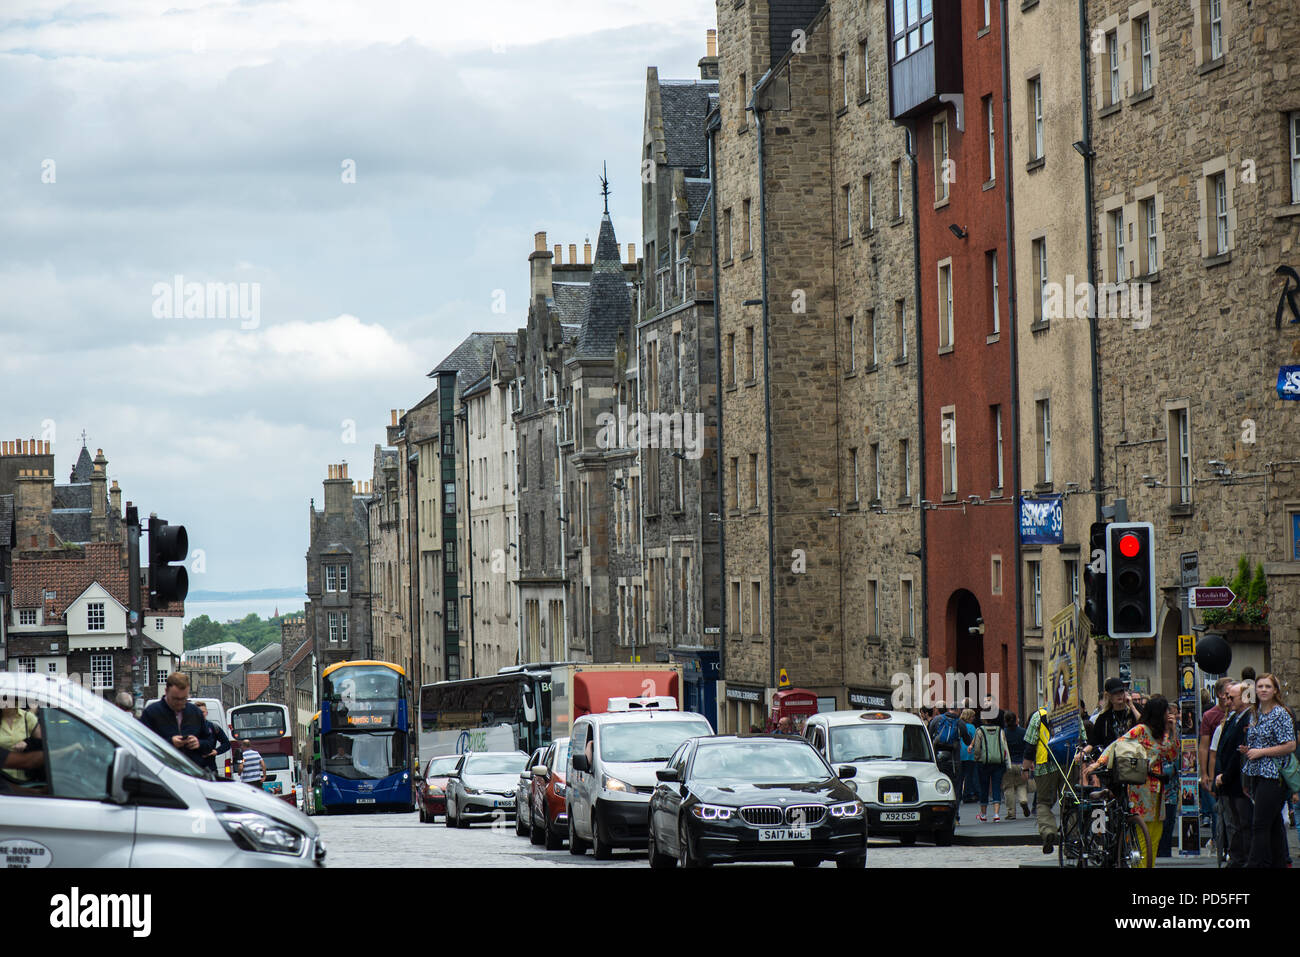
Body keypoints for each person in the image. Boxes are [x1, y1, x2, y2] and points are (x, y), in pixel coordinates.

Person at [1086, 695, 1179, 869]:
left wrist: (1172, 731)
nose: (1170, 714)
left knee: (1155, 835)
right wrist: (1099, 762)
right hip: (1142, 787)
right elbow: (1117, 744)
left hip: (1158, 790)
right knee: (1143, 838)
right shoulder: (1141, 730)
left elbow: (1172, 754)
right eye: (1166, 711)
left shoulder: (1163, 733)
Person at [1240, 673, 1296, 868]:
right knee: (1273, 826)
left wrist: (1261, 752)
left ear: (1275, 691)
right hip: (1256, 773)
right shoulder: (1254, 714)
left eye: (1268, 687)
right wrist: (1249, 751)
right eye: (1260, 686)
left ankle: (1255, 864)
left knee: (1260, 825)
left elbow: (1290, 745)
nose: (1263, 690)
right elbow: (1255, 744)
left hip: (1273, 776)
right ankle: (1279, 863)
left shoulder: (1280, 713)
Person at [1213, 682, 1253, 867]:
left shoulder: (1248, 719)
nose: (1227, 701)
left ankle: (1244, 859)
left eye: (1231, 697)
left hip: (1239, 782)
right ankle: (1237, 858)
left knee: (1243, 824)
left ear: (1245, 698)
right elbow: (1222, 748)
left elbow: (1238, 753)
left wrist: (1226, 776)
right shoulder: (1233, 718)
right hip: (1229, 782)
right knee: (1234, 824)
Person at [139, 673, 213, 766]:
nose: (180, 703)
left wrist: (199, 743)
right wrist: (170, 743)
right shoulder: (151, 713)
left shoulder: (195, 712)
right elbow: (142, 743)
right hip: (162, 771)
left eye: (184, 698)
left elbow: (209, 743)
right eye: (175, 699)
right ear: (166, 691)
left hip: (192, 773)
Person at [1021, 703, 1065, 853]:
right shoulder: (1072, 712)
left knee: (1043, 802)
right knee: (1071, 801)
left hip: (1045, 763)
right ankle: (1074, 837)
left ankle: (1048, 832)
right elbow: (1084, 739)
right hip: (1069, 763)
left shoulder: (1038, 716)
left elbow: (1030, 746)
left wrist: (1025, 768)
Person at [929, 702, 973, 822]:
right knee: (955, 788)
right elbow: (967, 740)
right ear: (958, 710)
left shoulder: (937, 720)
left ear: (949, 709)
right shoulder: (960, 723)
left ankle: (937, 815)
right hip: (954, 761)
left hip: (938, 761)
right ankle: (955, 816)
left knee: (938, 786)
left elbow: (929, 735)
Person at [971, 711, 1010, 821]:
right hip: (998, 762)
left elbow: (977, 748)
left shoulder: (979, 730)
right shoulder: (1000, 730)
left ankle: (983, 814)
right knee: (996, 787)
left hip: (984, 763)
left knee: (984, 787)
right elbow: (1004, 746)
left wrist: (977, 758)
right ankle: (996, 814)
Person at [1002, 712, 1031, 820]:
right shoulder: (1023, 732)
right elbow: (1028, 747)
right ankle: (1023, 800)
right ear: (1016, 720)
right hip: (1021, 763)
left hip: (1008, 764)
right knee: (1021, 785)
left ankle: (1011, 813)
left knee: (1008, 787)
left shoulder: (1003, 733)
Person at [0, 705, 39, 783]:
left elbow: (42, 742)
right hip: (2, 780)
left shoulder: (28, 717)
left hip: (27, 778)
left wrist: (27, 742)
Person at [195, 702, 231, 776]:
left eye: (203, 712)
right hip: (194, 769)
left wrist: (216, 751)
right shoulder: (189, 728)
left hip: (211, 768)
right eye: (198, 712)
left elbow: (227, 744)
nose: (201, 714)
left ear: (207, 712)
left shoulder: (213, 727)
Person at [959, 708, 979, 807]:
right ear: (969, 717)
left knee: (960, 775)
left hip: (959, 753)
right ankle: (967, 794)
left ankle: (959, 794)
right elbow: (975, 740)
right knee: (969, 775)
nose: (974, 718)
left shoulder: (959, 725)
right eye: (972, 716)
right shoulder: (971, 727)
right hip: (969, 752)